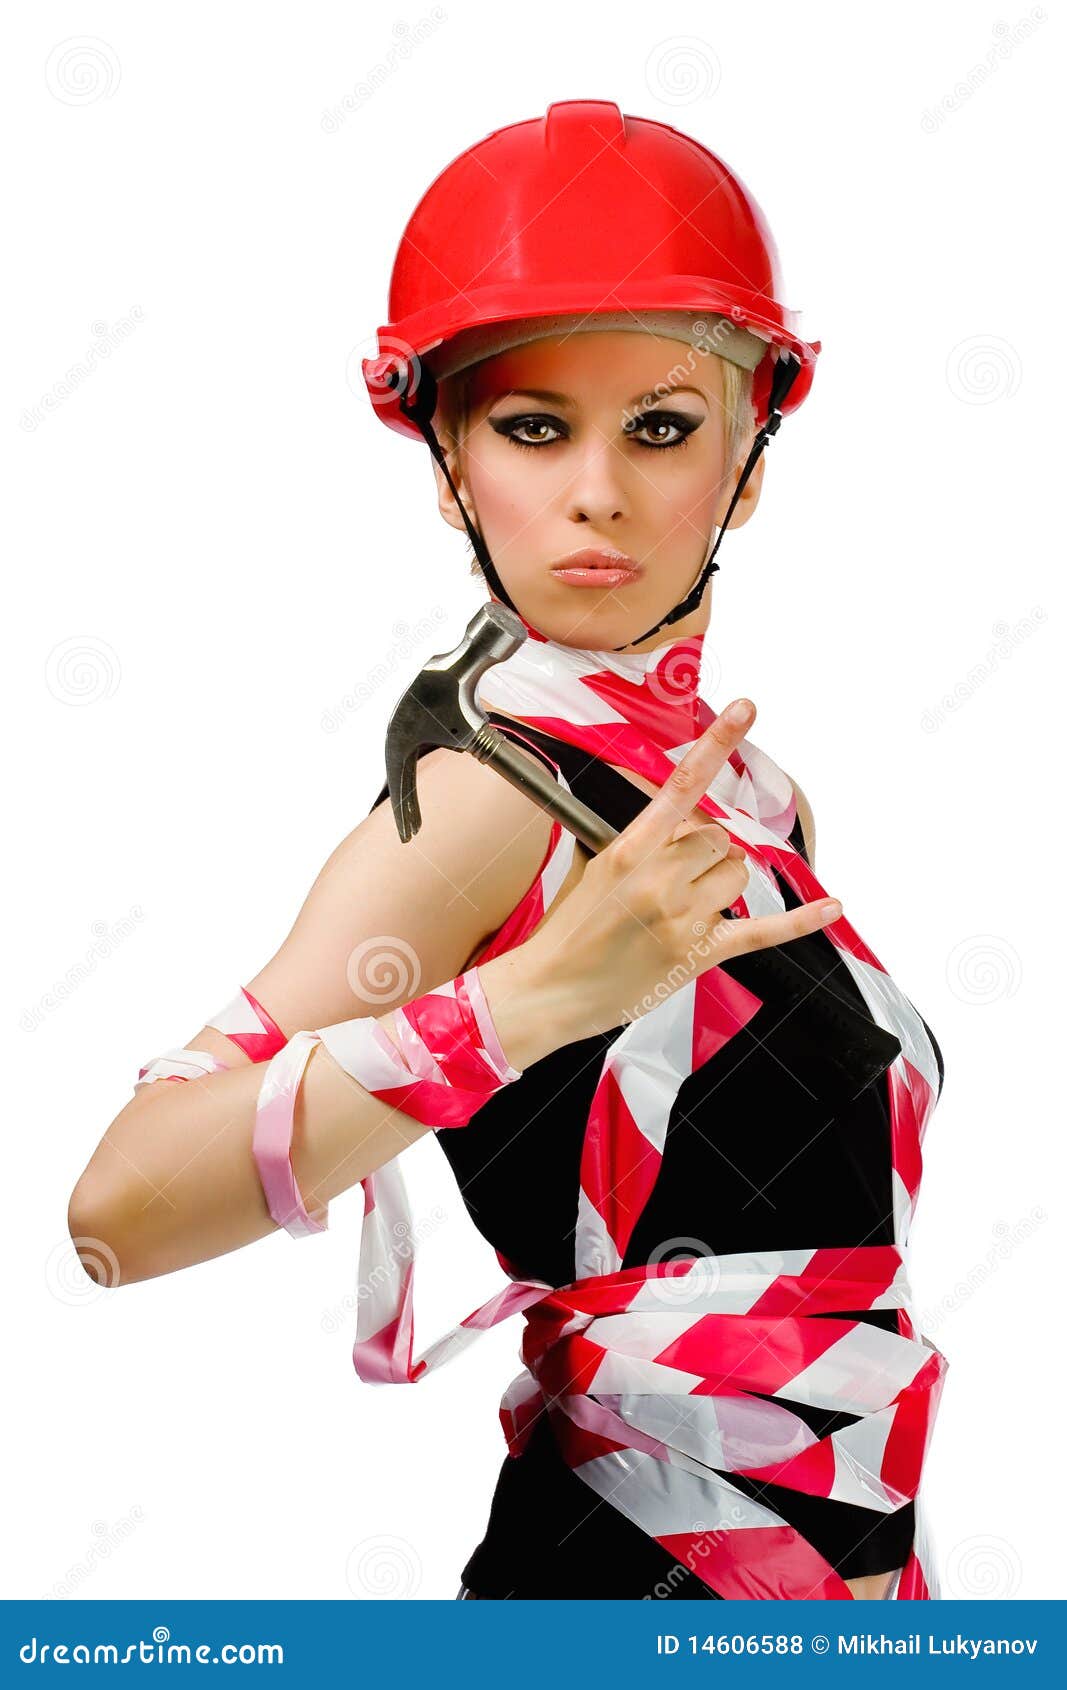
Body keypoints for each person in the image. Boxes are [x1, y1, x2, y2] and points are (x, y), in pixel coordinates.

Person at [67, 102, 947, 1602]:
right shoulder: (491, 800)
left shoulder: (756, 801)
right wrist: (524, 1001)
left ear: (749, 460)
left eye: (661, 427)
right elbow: (119, 1207)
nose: (598, 490)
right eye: (534, 428)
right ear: (450, 466)